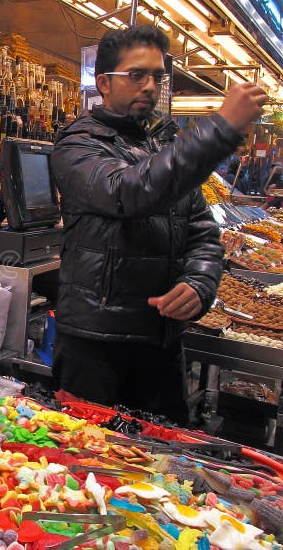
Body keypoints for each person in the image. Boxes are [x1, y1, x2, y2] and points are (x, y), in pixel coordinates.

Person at [50, 25, 267, 425]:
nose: (149, 86)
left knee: (163, 466)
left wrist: (199, 284)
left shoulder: (164, 147)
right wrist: (219, 128)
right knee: (82, 461)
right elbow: (131, 191)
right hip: (96, 346)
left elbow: (203, 232)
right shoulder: (77, 145)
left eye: (156, 76)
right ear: (103, 83)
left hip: (162, 343)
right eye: (136, 75)